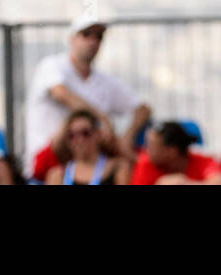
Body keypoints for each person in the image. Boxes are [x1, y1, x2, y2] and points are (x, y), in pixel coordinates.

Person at [23, 11, 150, 181]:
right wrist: (102, 119)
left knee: (139, 162)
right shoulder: (52, 66)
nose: (93, 41)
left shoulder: (105, 81)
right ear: (72, 38)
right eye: (86, 34)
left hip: (92, 163)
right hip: (52, 160)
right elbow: (61, 94)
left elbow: (143, 108)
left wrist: (128, 136)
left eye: (99, 37)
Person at [45, 110, 131, 185]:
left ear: (98, 134)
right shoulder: (57, 175)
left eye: (85, 133)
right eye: (71, 135)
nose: (79, 140)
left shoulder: (118, 168)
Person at [130, 122, 221, 185]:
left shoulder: (202, 161)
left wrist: (184, 183)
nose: (145, 149)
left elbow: (219, 182)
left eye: (151, 146)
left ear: (171, 151)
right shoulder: (145, 163)